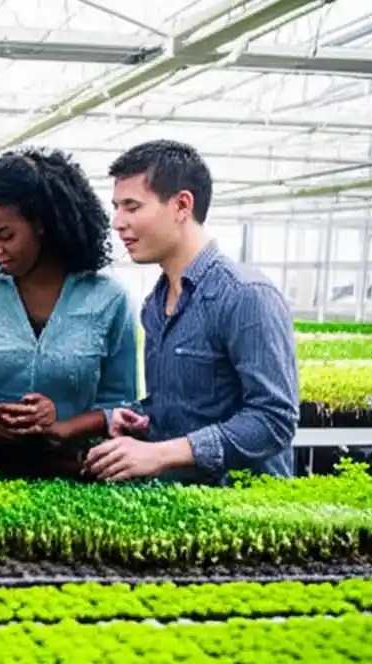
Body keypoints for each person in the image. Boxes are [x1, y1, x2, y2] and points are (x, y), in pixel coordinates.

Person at [85, 139, 299, 484]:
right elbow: (182, 406)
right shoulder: (156, 303)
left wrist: (160, 454)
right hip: (181, 507)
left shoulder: (245, 295)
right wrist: (137, 421)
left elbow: (274, 420)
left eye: (132, 206)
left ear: (182, 205)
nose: (117, 222)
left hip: (243, 513)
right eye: (116, 207)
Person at [0, 148, 138, 479]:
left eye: (6, 235)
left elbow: (123, 405)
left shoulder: (109, 298)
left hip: (73, 472)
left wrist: (66, 427)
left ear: (43, 224)